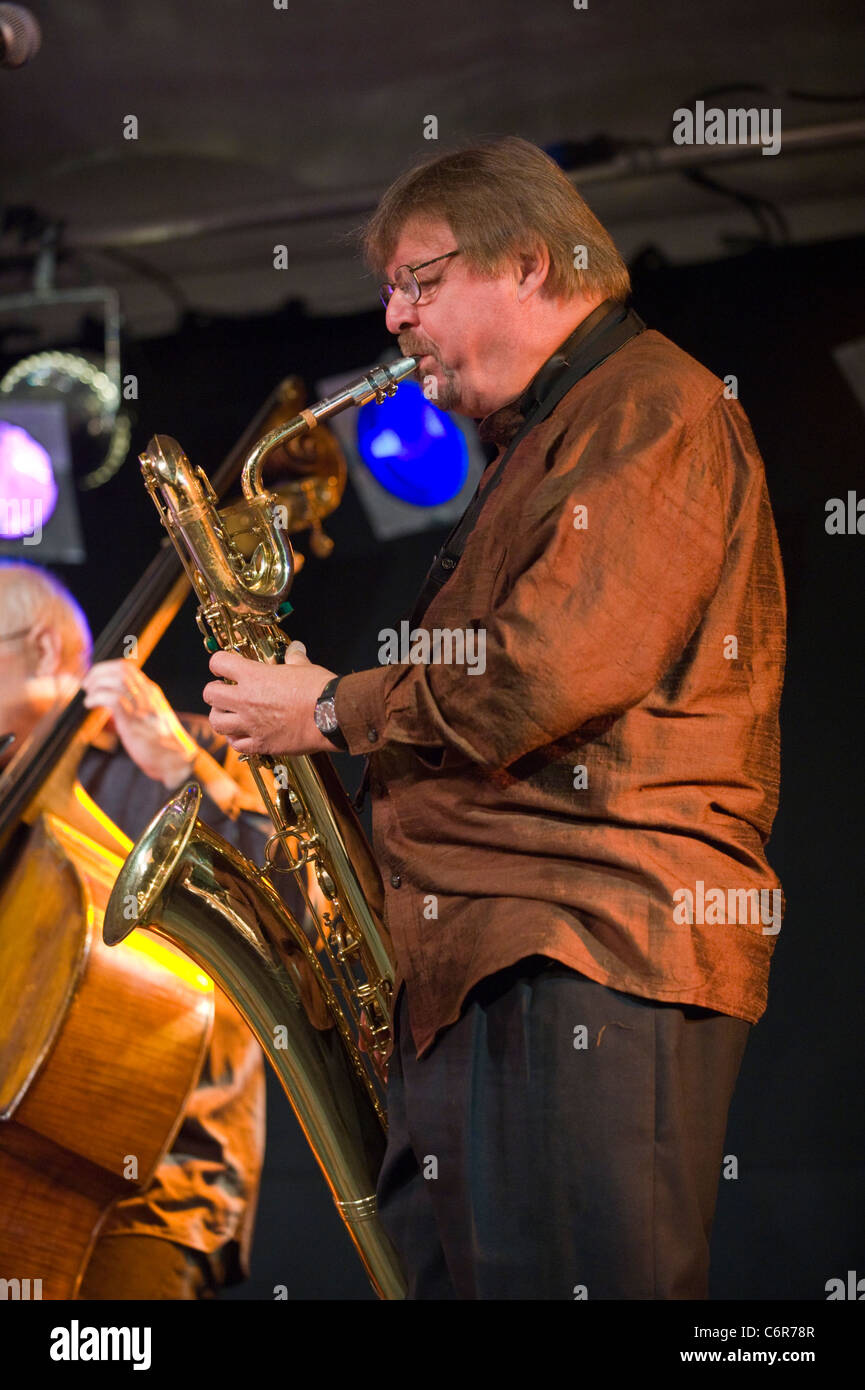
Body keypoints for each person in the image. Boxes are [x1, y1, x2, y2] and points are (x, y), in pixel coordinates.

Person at [201, 137, 787, 1300]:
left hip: (579, 953)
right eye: (391, 290)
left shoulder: (652, 406)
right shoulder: (545, 439)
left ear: (530, 264)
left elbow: (541, 671)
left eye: (420, 281)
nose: (395, 316)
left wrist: (326, 707)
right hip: (490, 967)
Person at [0, 560, 293, 1299]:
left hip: (155, 1180)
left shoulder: (198, 746)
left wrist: (179, 765)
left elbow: (292, 912)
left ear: (40, 648)